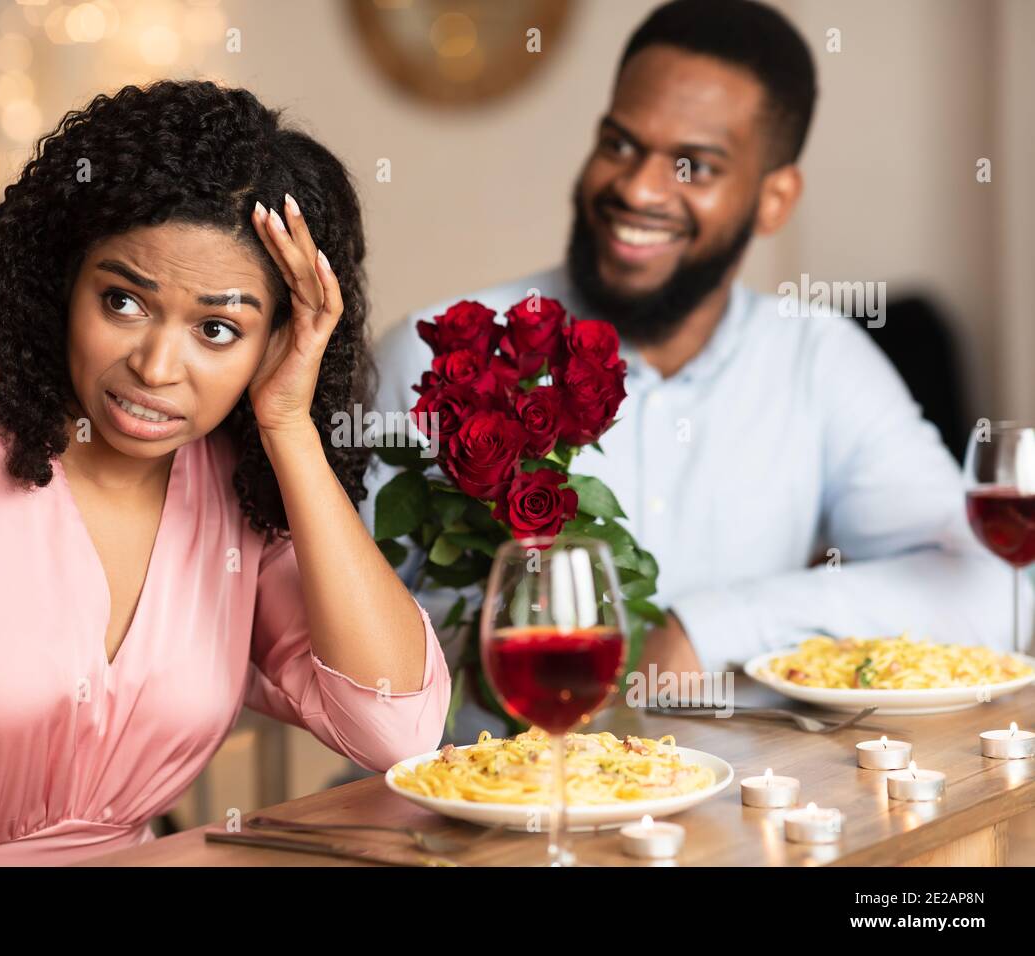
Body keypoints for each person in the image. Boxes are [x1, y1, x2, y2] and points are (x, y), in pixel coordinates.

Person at [0, 80, 450, 866]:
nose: (155, 365)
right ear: (63, 280)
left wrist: (288, 426)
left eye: (218, 328)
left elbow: (397, 728)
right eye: (123, 301)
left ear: (274, 342)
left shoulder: (236, 496)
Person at [364, 0, 1021, 739]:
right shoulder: (437, 354)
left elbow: (990, 589)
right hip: (467, 822)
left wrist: (713, 625)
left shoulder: (819, 360)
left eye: (695, 166)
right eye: (619, 144)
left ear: (774, 200)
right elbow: (330, 648)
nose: (640, 189)